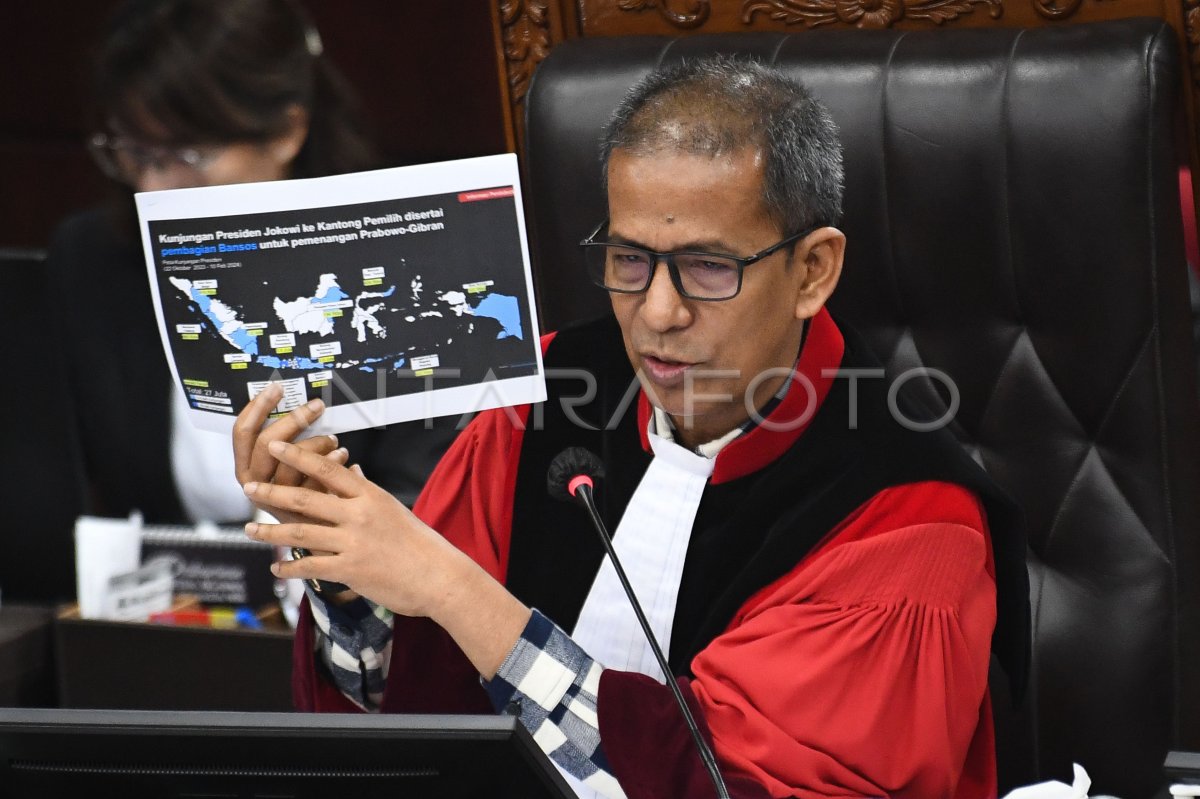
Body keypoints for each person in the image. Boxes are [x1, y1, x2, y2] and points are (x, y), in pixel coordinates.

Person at [233, 57, 1028, 798]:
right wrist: (333, 552)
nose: (657, 314)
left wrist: (455, 591)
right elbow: (411, 710)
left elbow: (726, 782)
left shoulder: (909, 520)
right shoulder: (542, 400)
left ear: (812, 270)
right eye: (629, 259)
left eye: (710, 267)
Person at [46, 0, 457, 525]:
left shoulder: (409, 266)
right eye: (138, 155)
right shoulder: (92, 259)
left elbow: (427, 514)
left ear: (287, 130)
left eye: (189, 155)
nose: (152, 188)